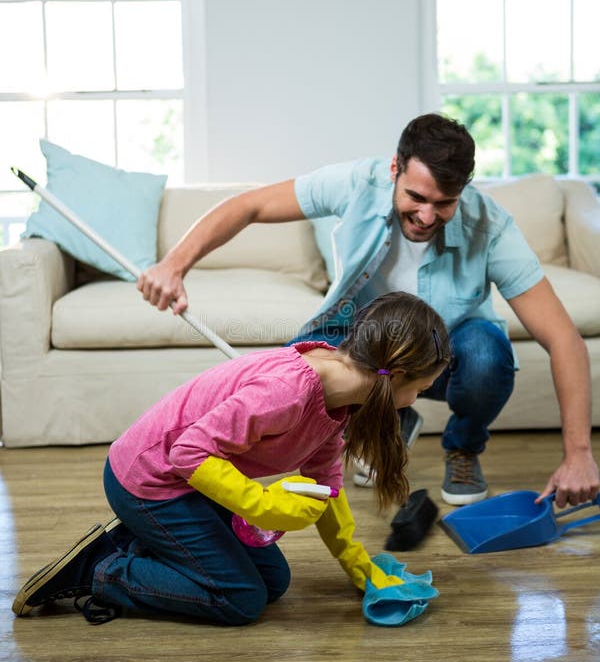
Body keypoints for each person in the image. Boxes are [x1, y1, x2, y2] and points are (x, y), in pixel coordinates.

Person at [134, 113, 599, 510]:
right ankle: (387, 420)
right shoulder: (358, 182)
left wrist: (579, 452)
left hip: (449, 346)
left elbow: (563, 340)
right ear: (394, 168)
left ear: (464, 191)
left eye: (444, 204)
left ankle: (462, 448)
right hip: (360, 333)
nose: (426, 216)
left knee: (488, 358)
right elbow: (250, 205)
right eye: (416, 198)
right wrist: (174, 264)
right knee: (293, 370)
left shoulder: (490, 225)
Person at [12, 292, 450, 627]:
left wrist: (357, 563)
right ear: (394, 376)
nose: (417, 400)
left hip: (194, 484)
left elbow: (325, 483)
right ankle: (103, 569)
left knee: (275, 583)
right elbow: (187, 452)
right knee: (240, 599)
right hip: (149, 481)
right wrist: (259, 503)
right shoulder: (289, 391)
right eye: (421, 389)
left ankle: (146, 543)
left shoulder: (343, 399)